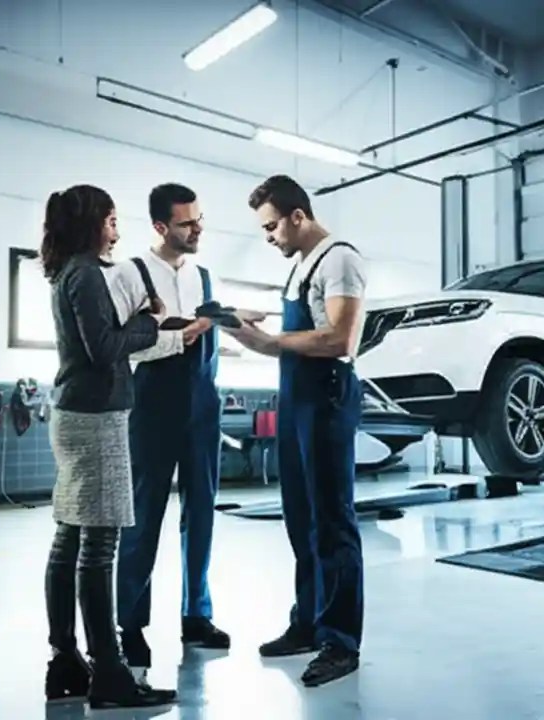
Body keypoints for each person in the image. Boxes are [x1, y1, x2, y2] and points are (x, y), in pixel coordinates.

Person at [107, 183, 258, 678]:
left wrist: (226, 322)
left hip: (203, 403)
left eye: (199, 220)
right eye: (186, 223)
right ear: (159, 227)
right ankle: (130, 627)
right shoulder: (130, 273)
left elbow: (209, 334)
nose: (197, 230)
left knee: (202, 513)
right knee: (143, 516)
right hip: (152, 403)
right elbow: (124, 348)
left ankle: (198, 616)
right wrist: (185, 333)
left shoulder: (203, 275)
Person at [223, 174, 367, 688]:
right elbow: (288, 338)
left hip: (326, 395)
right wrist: (247, 333)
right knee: (300, 518)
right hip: (295, 399)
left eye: (270, 227)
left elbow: (340, 337)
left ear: (297, 216)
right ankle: (308, 621)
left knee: (332, 521)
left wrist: (272, 343)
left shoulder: (340, 259)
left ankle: (340, 641)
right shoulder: (300, 267)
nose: (269, 237)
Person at [39, 184, 178, 709]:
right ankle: (110, 674)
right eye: (112, 219)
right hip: (97, 418)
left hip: (77, 413)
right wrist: (150, 322)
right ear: (92, 223)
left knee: (70, 539)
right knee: (98, 547)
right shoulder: (88, 274)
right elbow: (104, 349)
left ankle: (65, 661)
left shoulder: (68, 272)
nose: (118, 229)